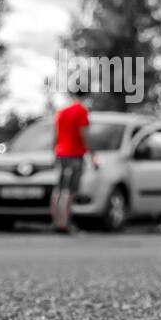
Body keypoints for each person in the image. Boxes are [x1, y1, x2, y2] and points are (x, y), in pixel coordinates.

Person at [51, 93, 98, 232]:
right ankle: (64, 222)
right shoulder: (81, 111)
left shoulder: (62, 111)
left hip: (61, 153)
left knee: (59, 189)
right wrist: (93, 154)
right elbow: (84, 134)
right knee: (71, 190)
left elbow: (56, 135)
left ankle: (55, 221)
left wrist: (54, 153)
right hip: (75, 155)